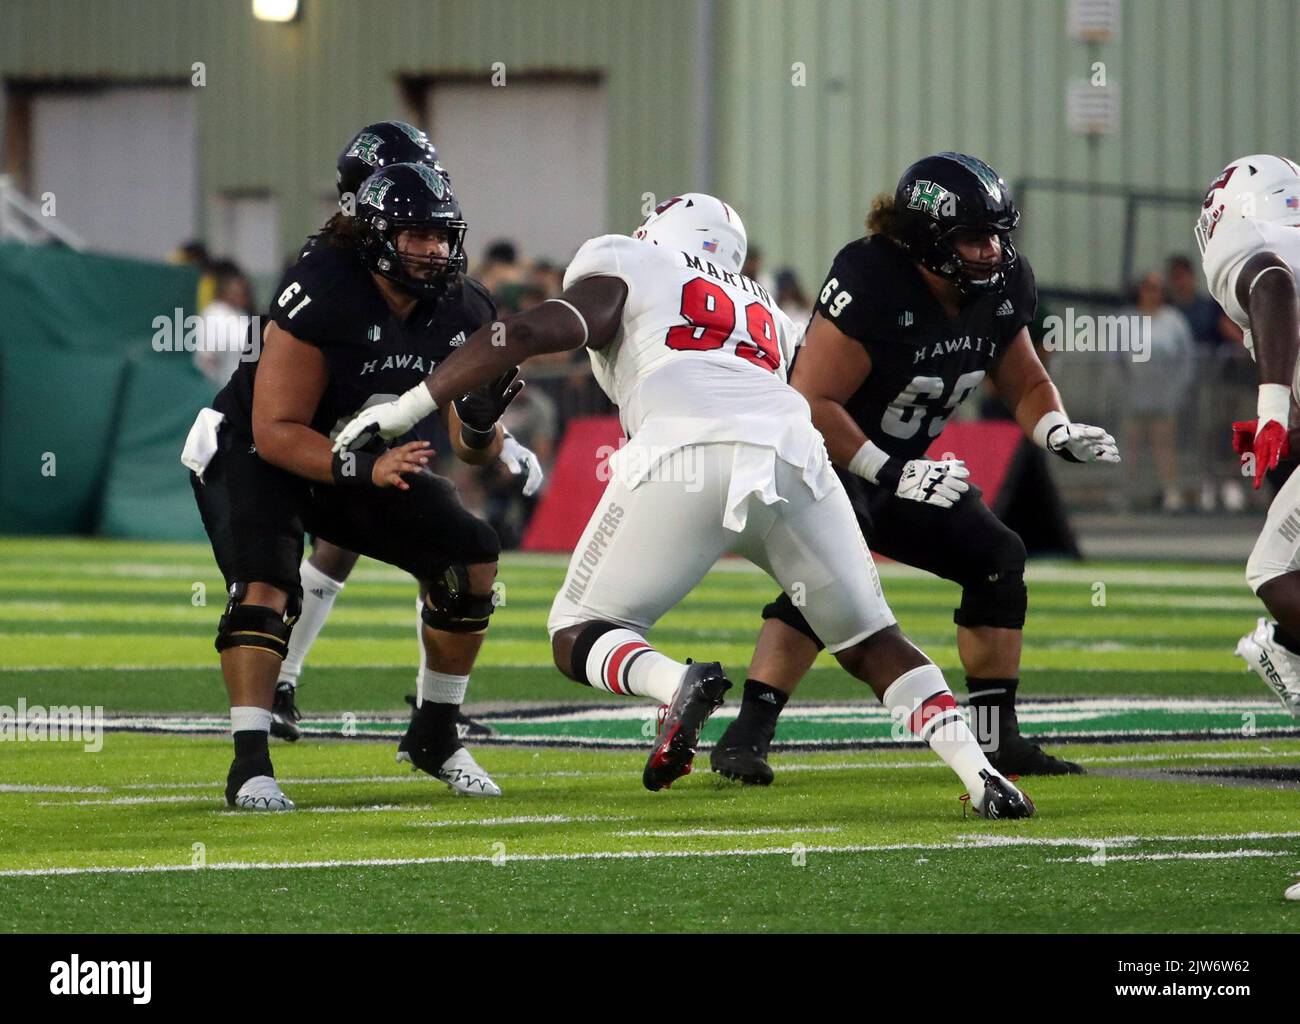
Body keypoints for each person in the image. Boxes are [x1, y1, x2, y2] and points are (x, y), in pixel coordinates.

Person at [333, 192, 1037, 819]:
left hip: (688, 449)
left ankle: (675, 683)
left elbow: (528, 333)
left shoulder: (631, 262)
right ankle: (981, 776)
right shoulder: (766, 309)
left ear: (658, 231)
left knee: (576, 629)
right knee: (872, 639)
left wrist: (409, 406)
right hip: (795, 455)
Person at [706, 153, 1119, 785]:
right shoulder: (872, 277)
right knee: (835, 573)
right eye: (974, 238)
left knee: (996, 555)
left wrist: (1055, 428)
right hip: (816, 458)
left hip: (899, 465)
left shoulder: (1004, 285)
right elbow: (812, 402)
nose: (991, 251)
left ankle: (996, 737)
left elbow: (1025, 379)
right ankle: (747, 733)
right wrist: (888, 469)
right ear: (927, 238)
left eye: (997, 235)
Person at [183, 161, 517, 810]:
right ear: (373, 237)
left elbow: (474, 449)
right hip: (254, 449)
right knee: (265, 586)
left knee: (471, 554)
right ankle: (250, 763)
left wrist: (479, 424)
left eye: (442, 235)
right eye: (416, 235)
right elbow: (277, 429)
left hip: (357, 455)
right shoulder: (327, 290)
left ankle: (435, 731)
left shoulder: (466, 306)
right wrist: (366, 470)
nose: (434, 250)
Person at [270, 122, 542, 742]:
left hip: (378, 437)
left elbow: (459, 400)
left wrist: (489, 430)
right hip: (302, 440)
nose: (429, 235)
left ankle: (434, 709)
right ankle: (276, 685)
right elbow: (282, 403)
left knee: (448, 545)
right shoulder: (328, 277)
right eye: (412, 220)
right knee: (290, 557)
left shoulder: (448, 291)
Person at [1198, 153, 1300, 715]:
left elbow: (1271, 282)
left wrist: (1273, 411)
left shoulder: (1260, 248)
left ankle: (1283, 650)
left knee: (1271, 569)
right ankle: (1285, 646)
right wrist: (1285, 430)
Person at [1116, 272, 1195, 512]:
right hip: (1134, 393)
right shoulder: (1126, 319)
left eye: (1157, 289)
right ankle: (1127, 492)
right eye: (1147, 288)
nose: (1152, 293)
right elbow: (1115, 358)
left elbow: (1186, 358)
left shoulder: (1174, 320)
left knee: (1164, 445)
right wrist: (1122, 388)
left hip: (1165, 395)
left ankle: (1170, 491)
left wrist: (1178, 389)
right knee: (1131, 445)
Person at [194, 259, 253, 388]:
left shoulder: (241, 314)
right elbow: (206, 358)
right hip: (220, 389)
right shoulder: (213, 313)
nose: (244, 295)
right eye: (239, 290)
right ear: (226, 290)